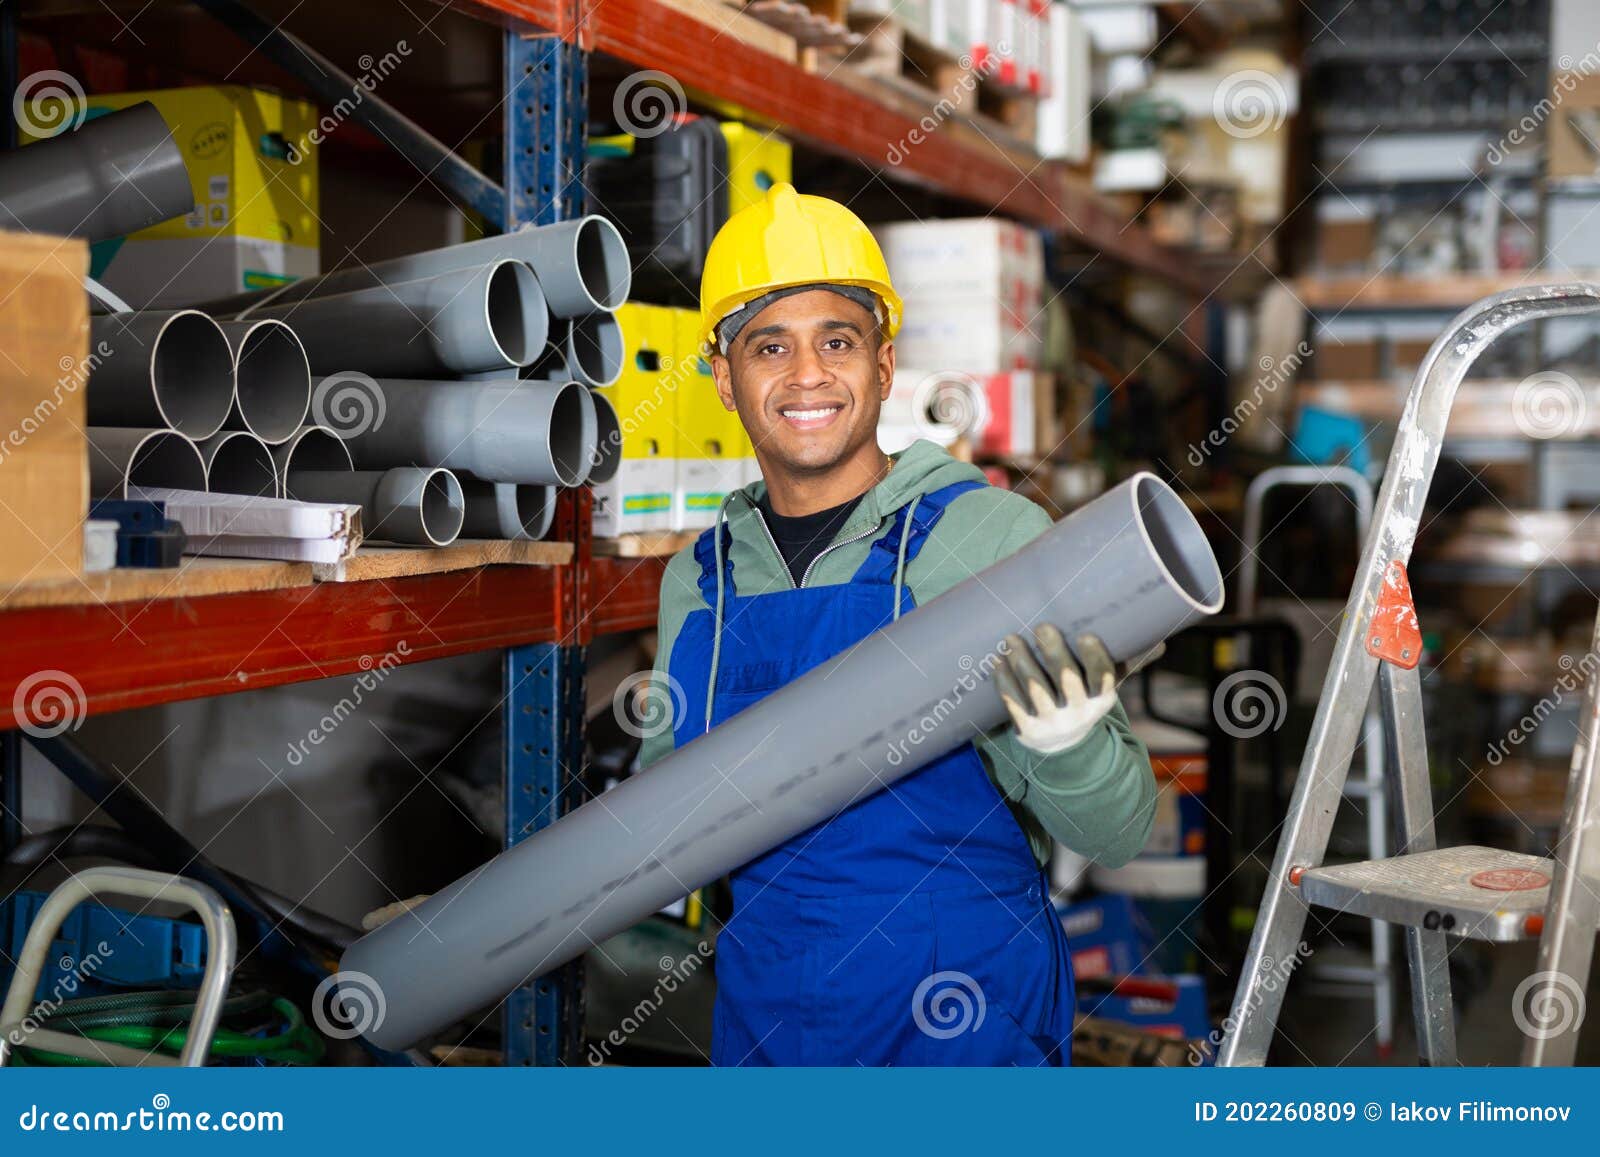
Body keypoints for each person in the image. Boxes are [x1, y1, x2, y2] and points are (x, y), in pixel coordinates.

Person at [637, 183, 1156, 1066]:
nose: (807, 375)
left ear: (883, 365)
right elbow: (668, 821)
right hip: (771, 1026)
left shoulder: (988, 537)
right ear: (725, 379)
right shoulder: (701, 580)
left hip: (962, 1028)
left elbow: (1120, 830)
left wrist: (1069, 743)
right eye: (770, 346)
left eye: (836, 341)